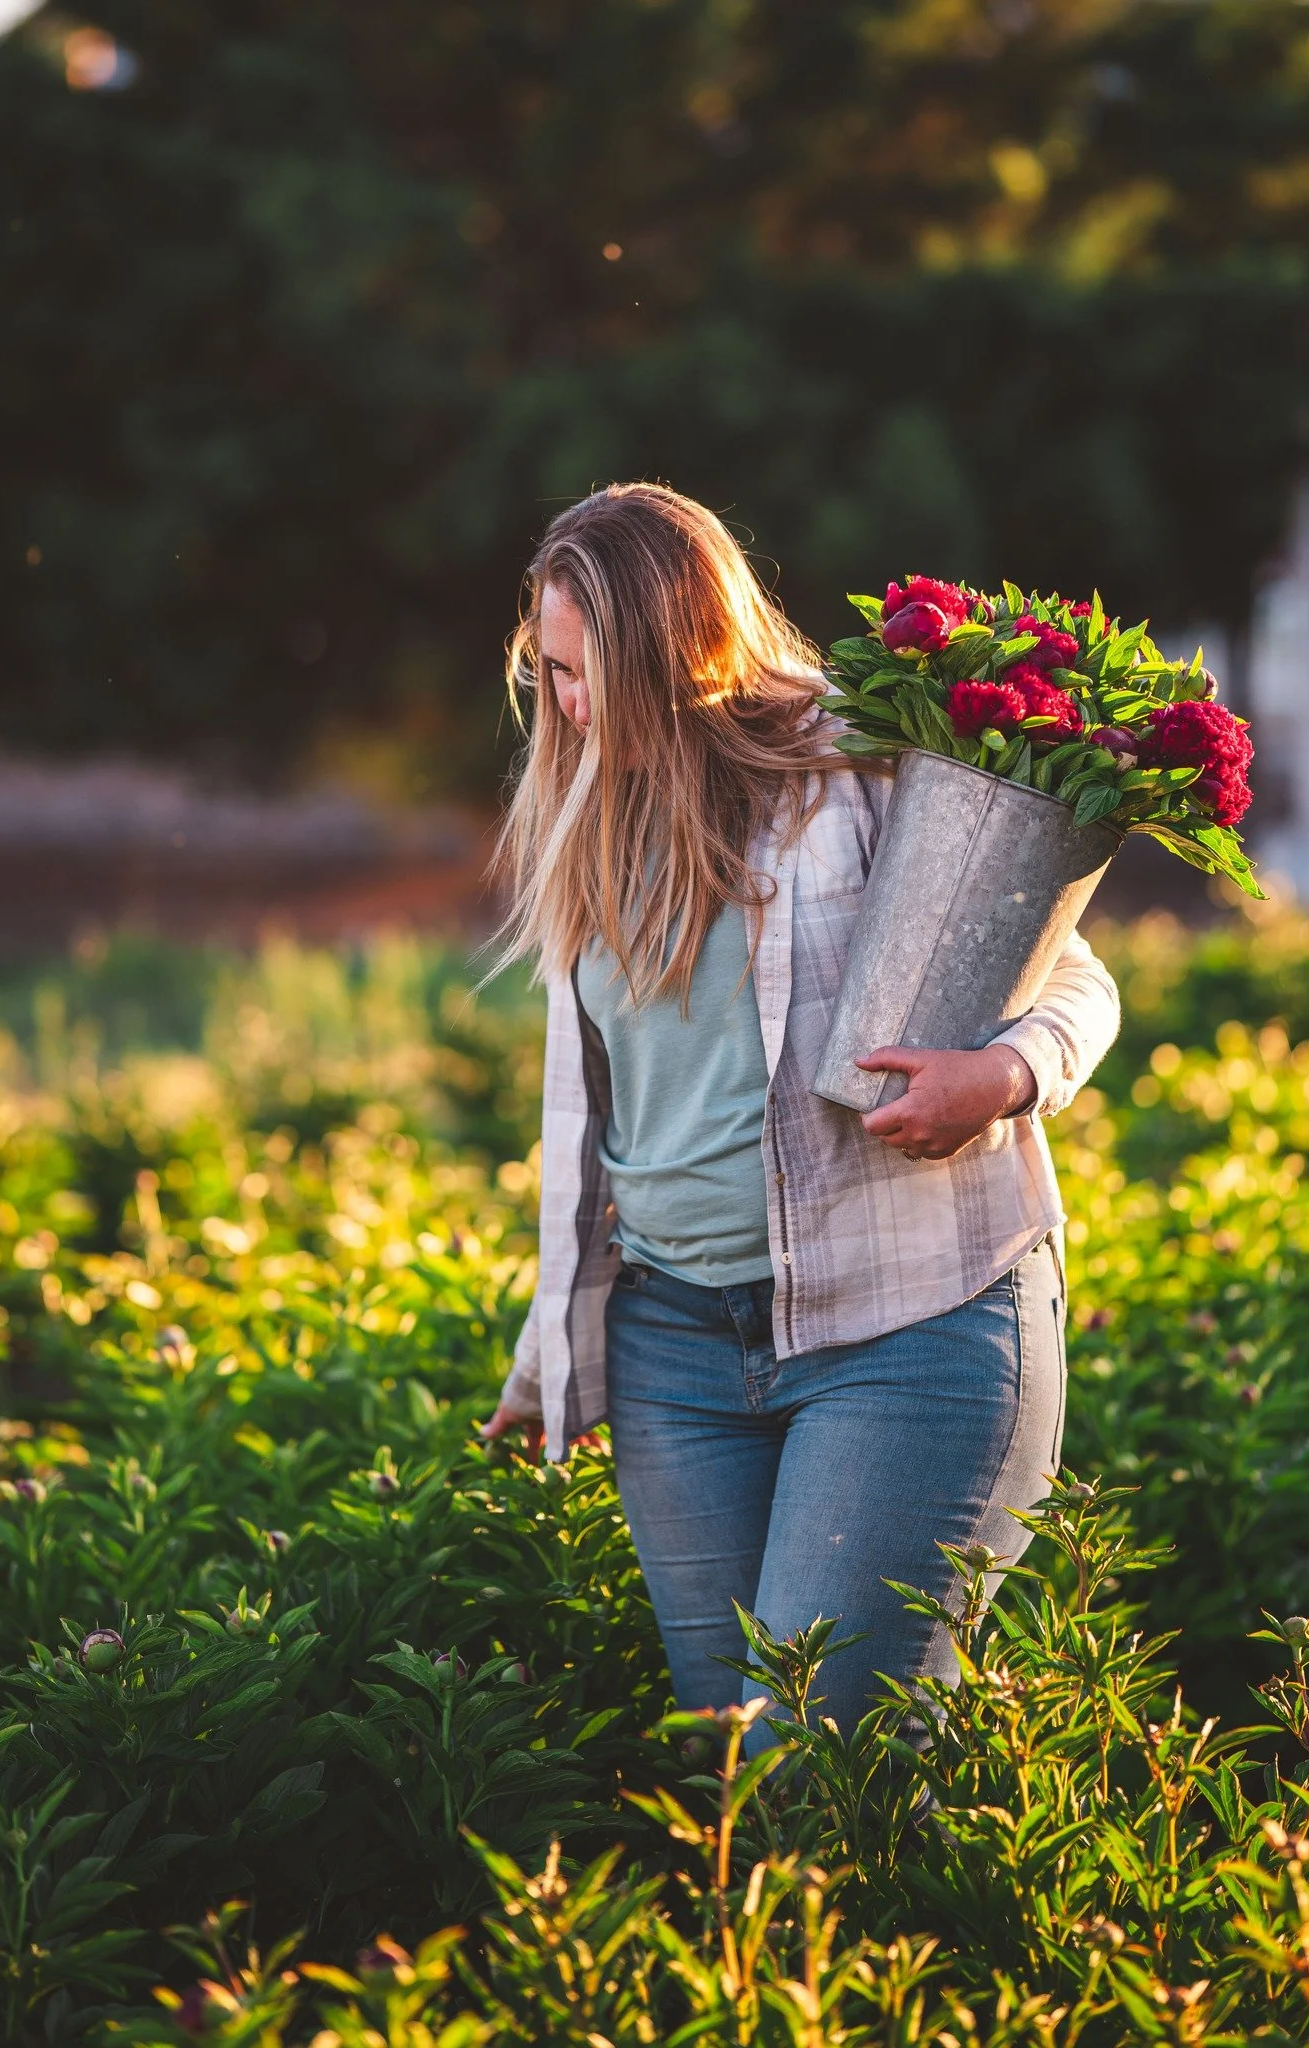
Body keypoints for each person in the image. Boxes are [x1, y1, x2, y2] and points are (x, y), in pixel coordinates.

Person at [479, 482, 1119, 1732]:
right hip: (676, 1352)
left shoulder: (856, 757)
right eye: (553, 670)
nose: (572, 704)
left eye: (597, 671)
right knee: (735, 1772)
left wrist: (999, 1078)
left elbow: (1076, 979)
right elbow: (617, 1120)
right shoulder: (586, 809)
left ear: (688, 647)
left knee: (817, 1756)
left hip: (909, 1322)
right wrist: (549, 1351)